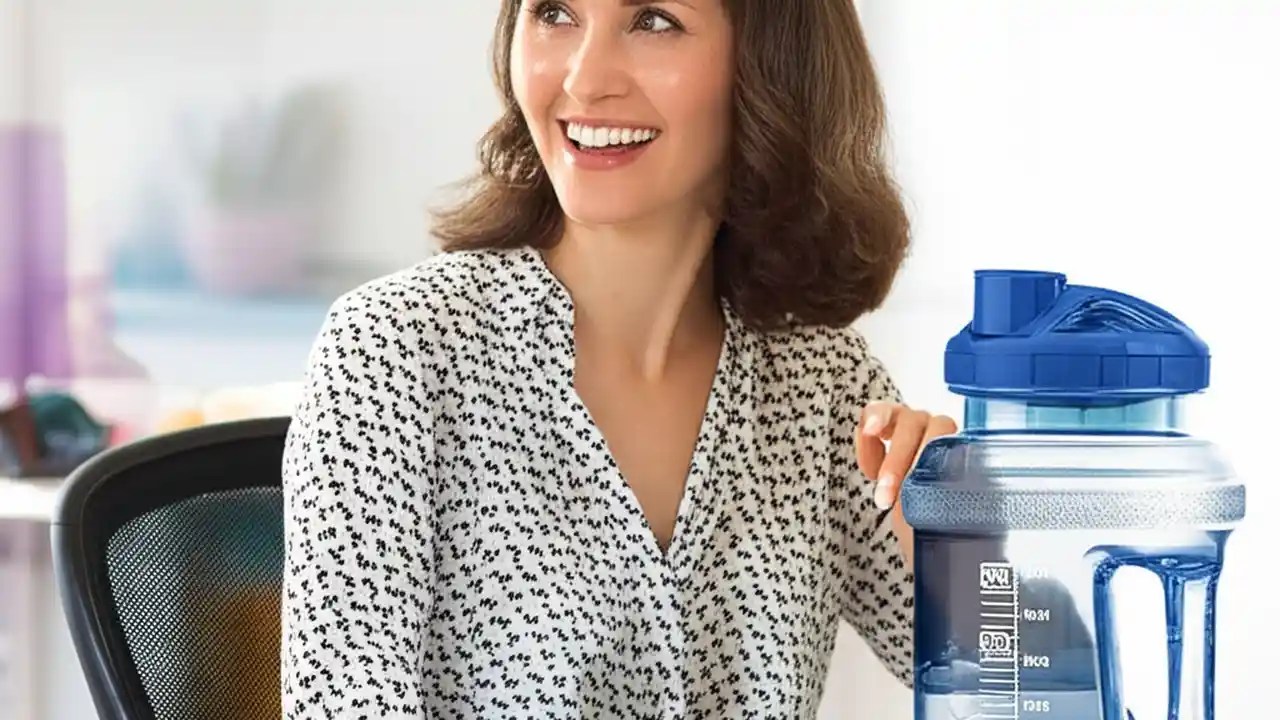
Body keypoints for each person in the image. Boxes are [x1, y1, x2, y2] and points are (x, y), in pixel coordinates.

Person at [279, 1, 957, 717]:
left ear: (771, 64)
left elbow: (1018, 689)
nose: (583, 77)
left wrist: (959, 544)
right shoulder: (393, 353)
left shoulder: (822, 388)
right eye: (554, 13)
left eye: (655, 21)